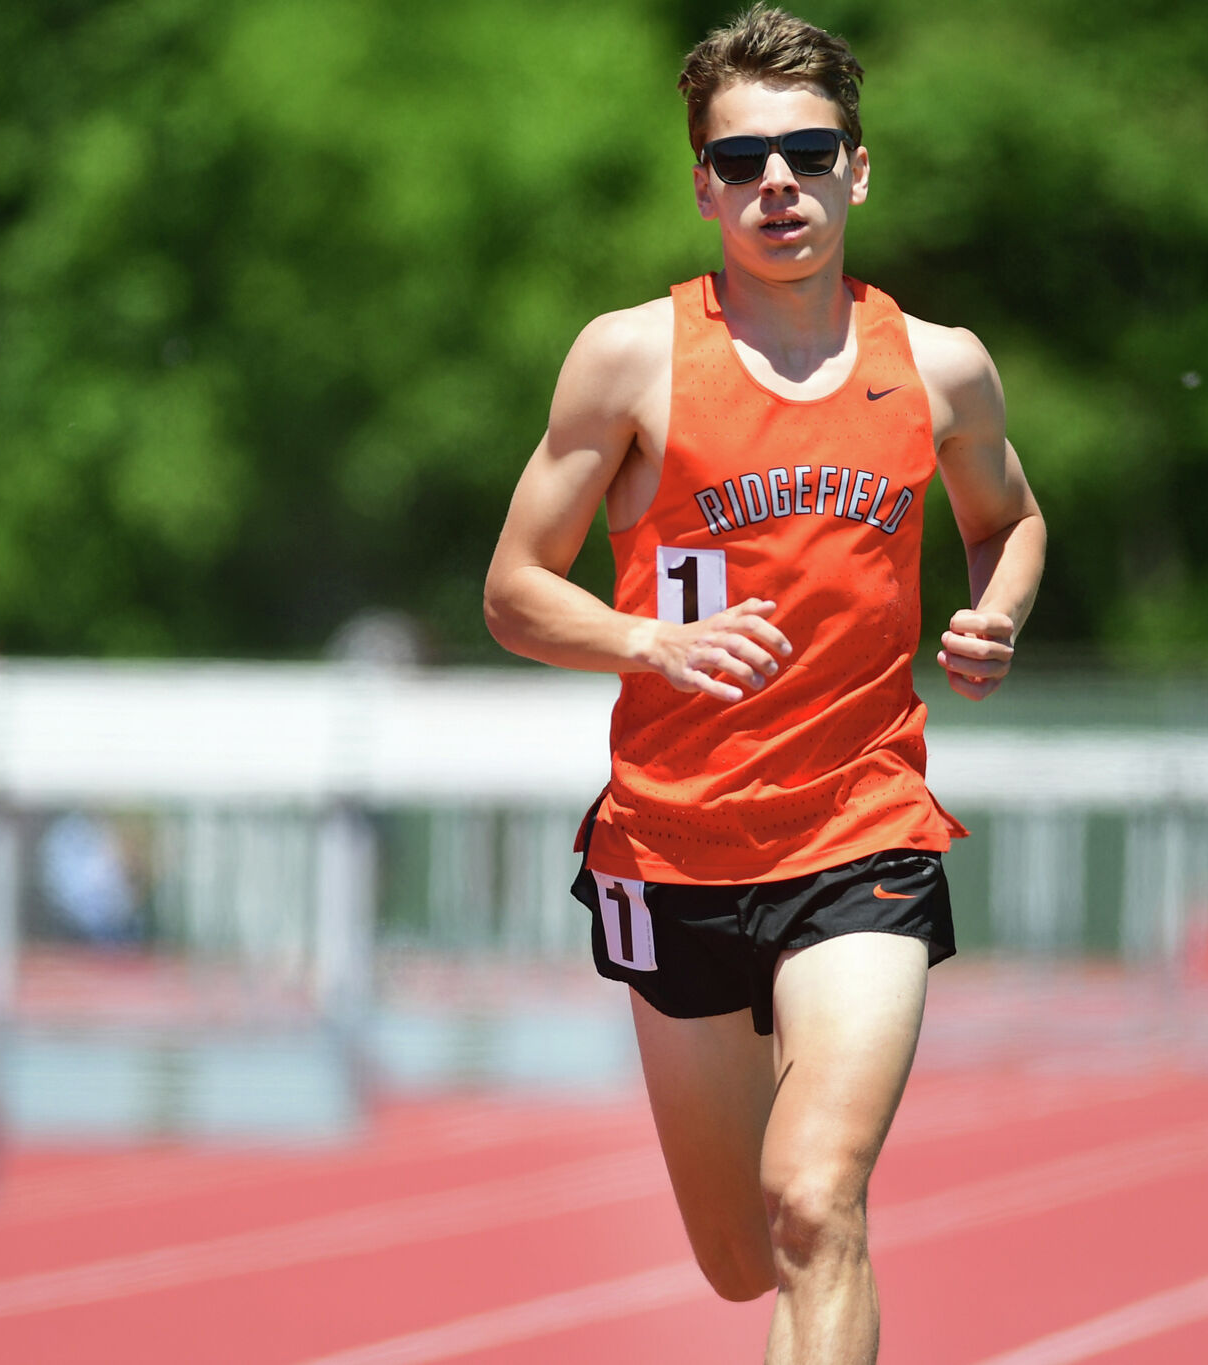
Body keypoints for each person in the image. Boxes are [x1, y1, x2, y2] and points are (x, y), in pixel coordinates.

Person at [481, 10, 1046, 1362]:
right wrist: (646, 644)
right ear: (703, 187)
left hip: (866, 833)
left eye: (808, 150)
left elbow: (1009, 520)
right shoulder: (627, 359)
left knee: (815, 1201)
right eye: (744, 160)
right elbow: (512, 590)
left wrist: (996, 614)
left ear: (860, 169)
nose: (777, 183)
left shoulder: (942, 365)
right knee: (740, 1255)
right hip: (671, 844)